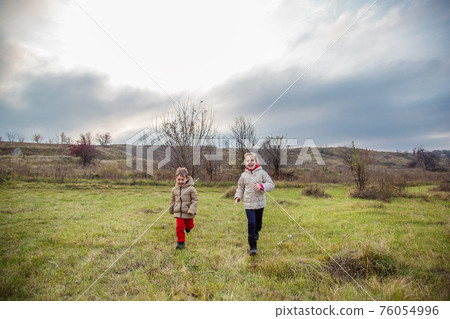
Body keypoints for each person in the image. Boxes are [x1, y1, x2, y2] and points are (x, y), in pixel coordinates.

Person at [234, 152, 275, 255]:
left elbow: (271, 184)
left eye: (252, 160)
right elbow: (240, 187)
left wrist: (262, 186)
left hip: (260, 204)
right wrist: (238, 196)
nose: (250, 162)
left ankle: (256, 232)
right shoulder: (243, 175)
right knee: (251, 224)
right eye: (248, 161)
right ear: (245, 163)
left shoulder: (262, 173)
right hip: (248, 204)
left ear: (256, 162)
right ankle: (253, 246)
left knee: (258, 225)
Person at [169, 167, 198, 250]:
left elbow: (195, 200)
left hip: (188, 212)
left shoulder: (191, 189)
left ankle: (188, 228)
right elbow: (172, 200)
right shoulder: (174, 190)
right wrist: (171, 209)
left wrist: (192, 209)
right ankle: (181, 242)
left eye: (182, 179)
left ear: (187, 179)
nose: (180, 181)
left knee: (189, 225)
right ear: (175, 179)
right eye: (179, 179)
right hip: (178, 212)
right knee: (179, 227)